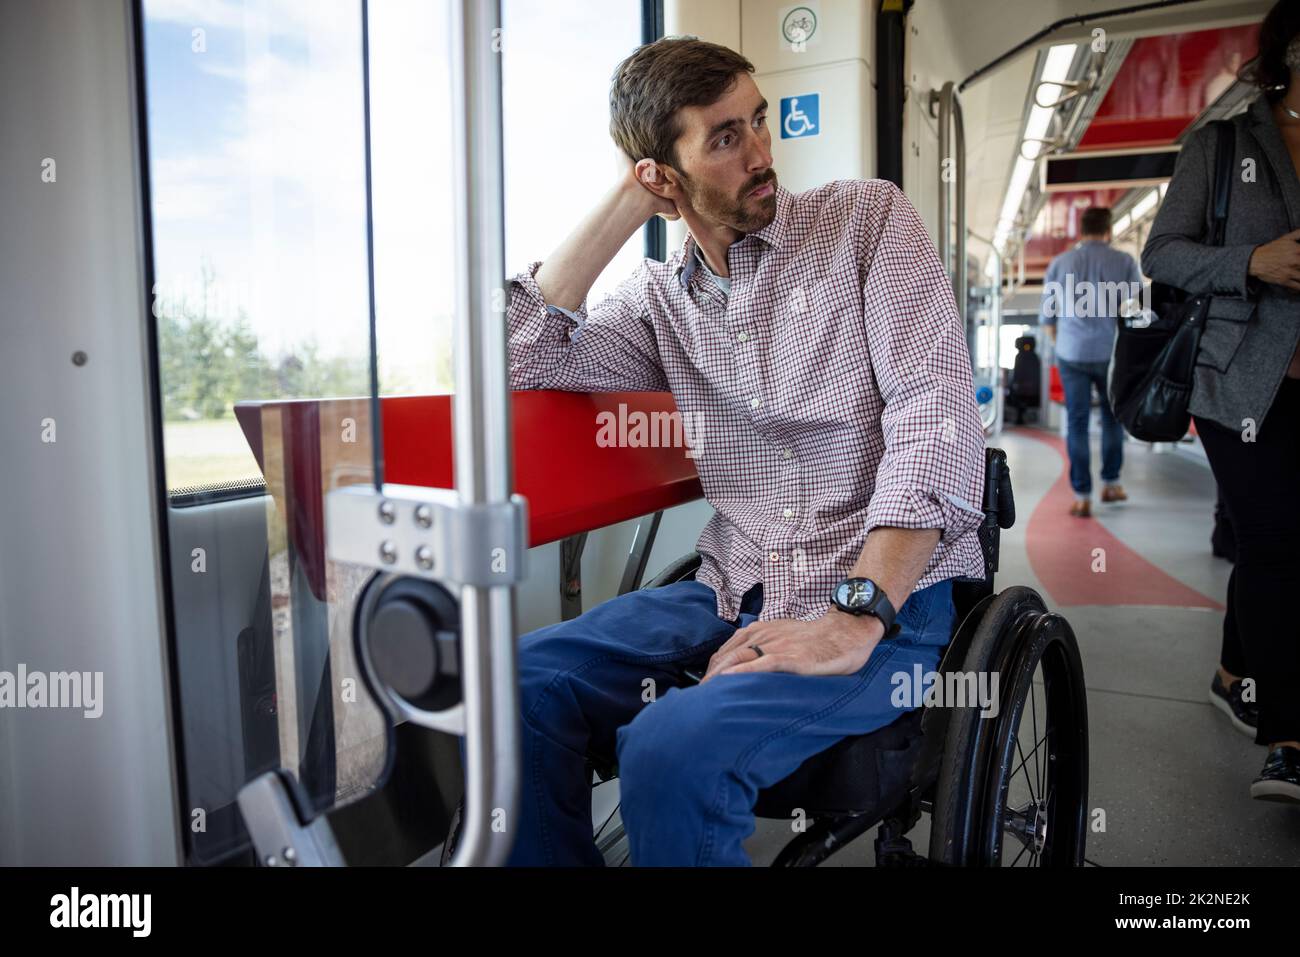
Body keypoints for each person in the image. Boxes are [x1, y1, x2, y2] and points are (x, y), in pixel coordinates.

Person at [499, 37, 986, 865]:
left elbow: (933, 420)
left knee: (666, 746)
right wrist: (629, 199)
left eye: (758, 122)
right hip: (734, 584)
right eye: (724, 138)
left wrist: (853, 613)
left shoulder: (867, 221)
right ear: (661, 175)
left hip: (885, 592)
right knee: (516, 684)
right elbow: (521, 358)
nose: (762, 155)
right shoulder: (657, 304)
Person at [1142, 0, 1300, 805]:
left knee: (1271, 541)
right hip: (1240, 380)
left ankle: (1235, 666)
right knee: (1277, 542)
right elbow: (1162, 252)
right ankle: (1288, 736)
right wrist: (1254, 261)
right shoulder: (1225, 145)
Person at [1038, 207, 1141, 518]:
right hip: (1110, 353)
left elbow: (1048, 316)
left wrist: (1061, 343)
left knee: (1077, 423)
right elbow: (1139, 310)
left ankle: (1082, 495)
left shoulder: (1060, 263)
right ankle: (1111, 484)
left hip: (1071, 353)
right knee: (1113, 419)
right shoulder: (1124, 262)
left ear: (1079, 231)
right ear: (1108, 230)